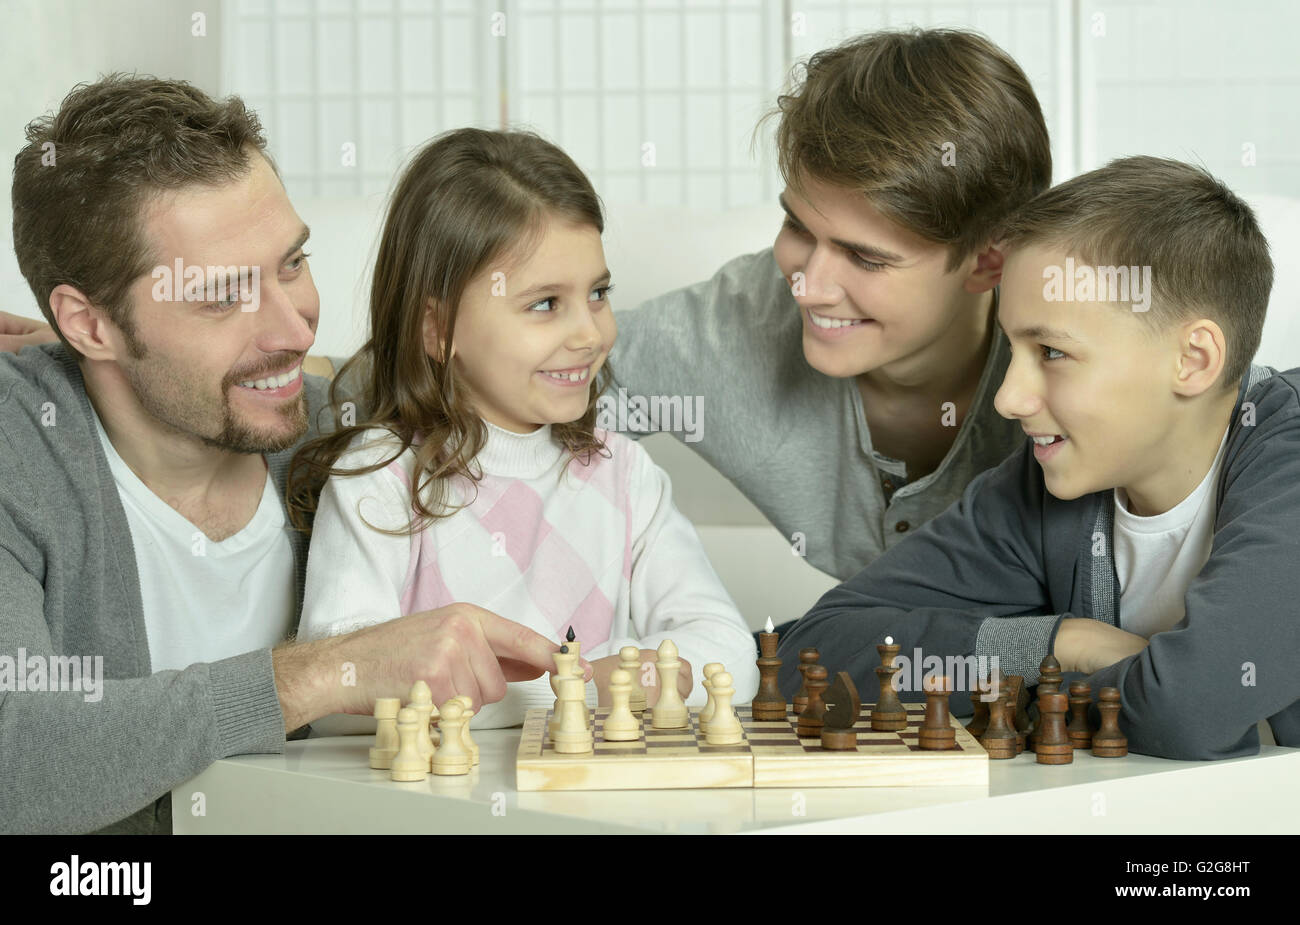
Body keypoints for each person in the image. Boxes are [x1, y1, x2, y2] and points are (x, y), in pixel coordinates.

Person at [0, 76, 577, 835]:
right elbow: (17, 757)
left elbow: (559, 347)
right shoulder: (22, 447)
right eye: (222, 295)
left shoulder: (355, 421)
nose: (295, 328)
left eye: (292, 263)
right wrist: (319, 673)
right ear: (91, 324)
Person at [776, 157, 1298, 760]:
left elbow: (1192, 707)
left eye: (1050, 351)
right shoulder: (1042, 485)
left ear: (1193, 360)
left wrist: (1026, 693)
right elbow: (808, 655)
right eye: (1011, 349)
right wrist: (1061, 642)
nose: (1006, 398)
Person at [290, 128, 759, 726]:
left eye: (598, 293)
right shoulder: (379, 480)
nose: (590, 334)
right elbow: (340, 696)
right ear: (437, 329)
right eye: (544, 304)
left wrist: (619, 678)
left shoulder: (625, 476)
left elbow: (732, 654)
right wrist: (582, 687)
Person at [606, 28, 1051, 592]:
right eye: (797, 226)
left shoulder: (1078, 354)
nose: (808, 288)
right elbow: (534, 403)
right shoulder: (734, 323)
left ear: (989, 263)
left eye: (865, 258)